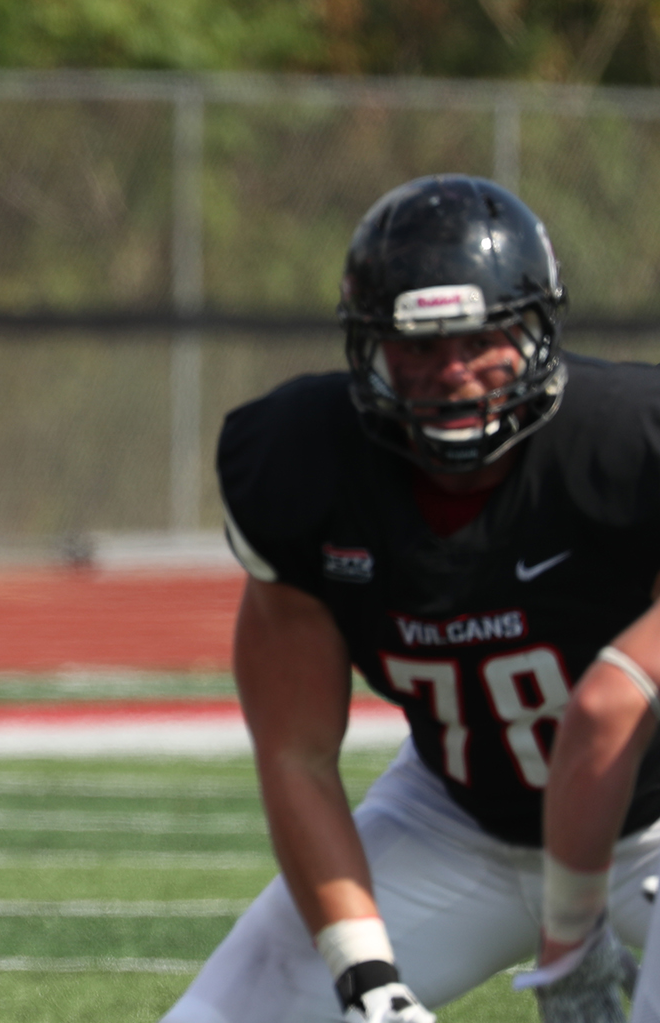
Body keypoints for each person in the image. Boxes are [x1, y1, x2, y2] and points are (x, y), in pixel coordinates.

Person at [159, 174, 660, 1023]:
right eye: (419, 347)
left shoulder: (630, 445)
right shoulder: (304, 463)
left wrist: (569, 939)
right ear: (370, 350)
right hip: (455, 821)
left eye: (481, 339)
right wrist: (365, 977)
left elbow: (608, 712)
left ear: (536, 331)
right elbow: (297, 755)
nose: (453, 374)